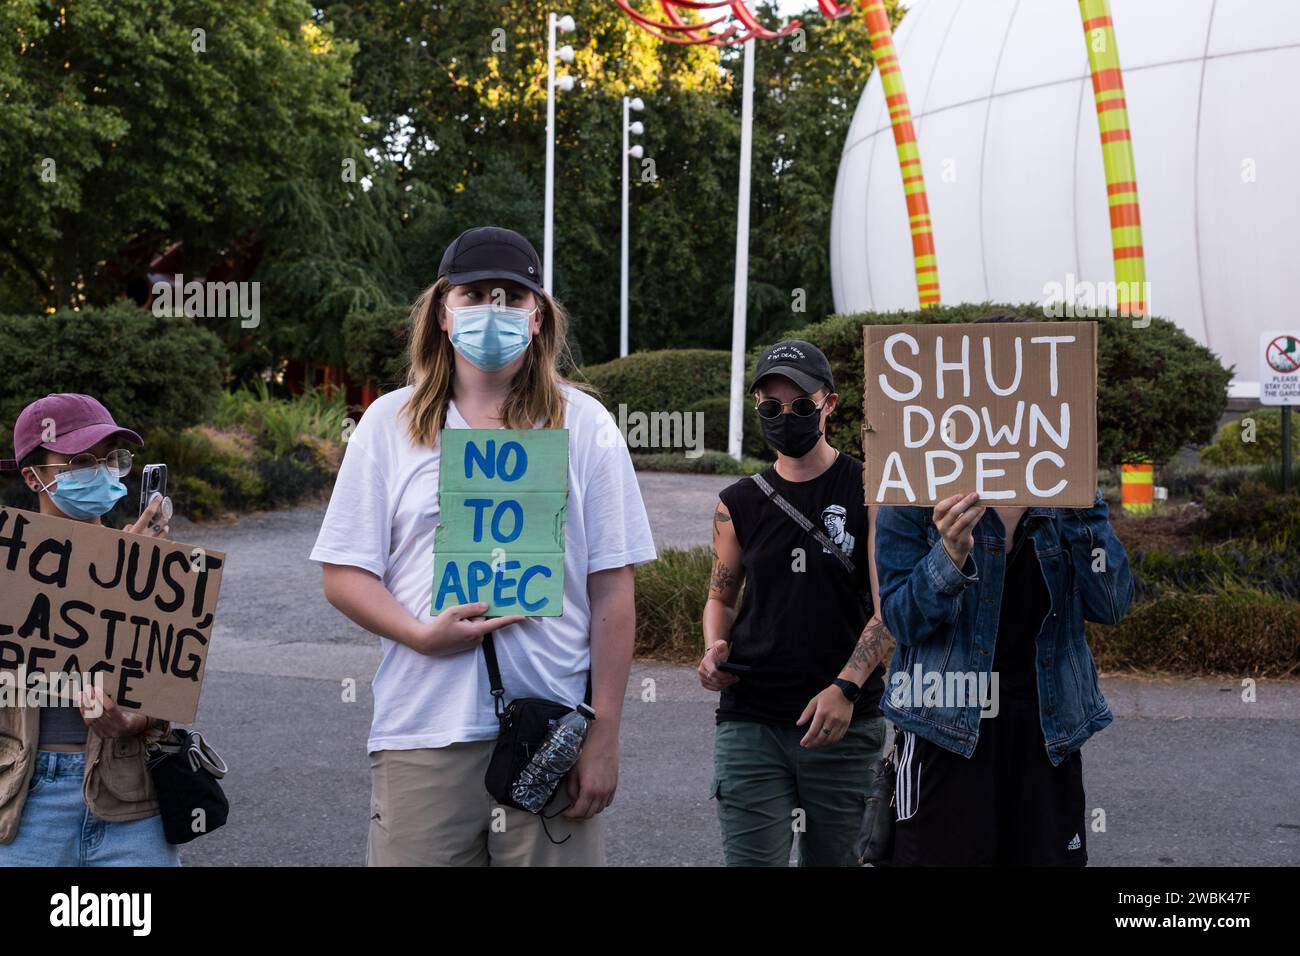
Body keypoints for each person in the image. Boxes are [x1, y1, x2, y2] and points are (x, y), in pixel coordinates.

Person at [311, 225, 656, 866]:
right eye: (473, 295)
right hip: (423, 732)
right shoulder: (388, 424)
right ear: (444, 313)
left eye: (511, 296)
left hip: (552, 733)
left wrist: (604, 734)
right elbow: (343, 572)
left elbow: (612, 587)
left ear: (537, 317)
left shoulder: (587, 426)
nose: (491, 311)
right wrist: (420, 634)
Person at [874, 314, 1135, 866]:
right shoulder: (916, 491)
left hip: (1047, 735)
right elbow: (899, 621)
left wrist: (1082, 503)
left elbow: (1112, 605)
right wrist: (948, 554)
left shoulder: (1067, 497)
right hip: (943, 731)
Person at [700, 340, 891, 867]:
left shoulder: (870, 490)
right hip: (750, 722)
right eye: (770, 407)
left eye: (801, 405)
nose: (786, 417)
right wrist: (714, 646)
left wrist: (845, 688)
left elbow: (889, 607)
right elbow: (721, 595)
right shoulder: (736, 503)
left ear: (829, 404)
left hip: (844, 726)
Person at [0, 393, 177, 865]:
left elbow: (163, 693)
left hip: (129, 796)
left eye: (109, 459)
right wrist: (105, 576)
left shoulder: (147, 564)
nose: (100, 472)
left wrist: (128, 721)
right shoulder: (6, 563)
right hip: (22, 798)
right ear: (34, 476)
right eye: (80, 461)